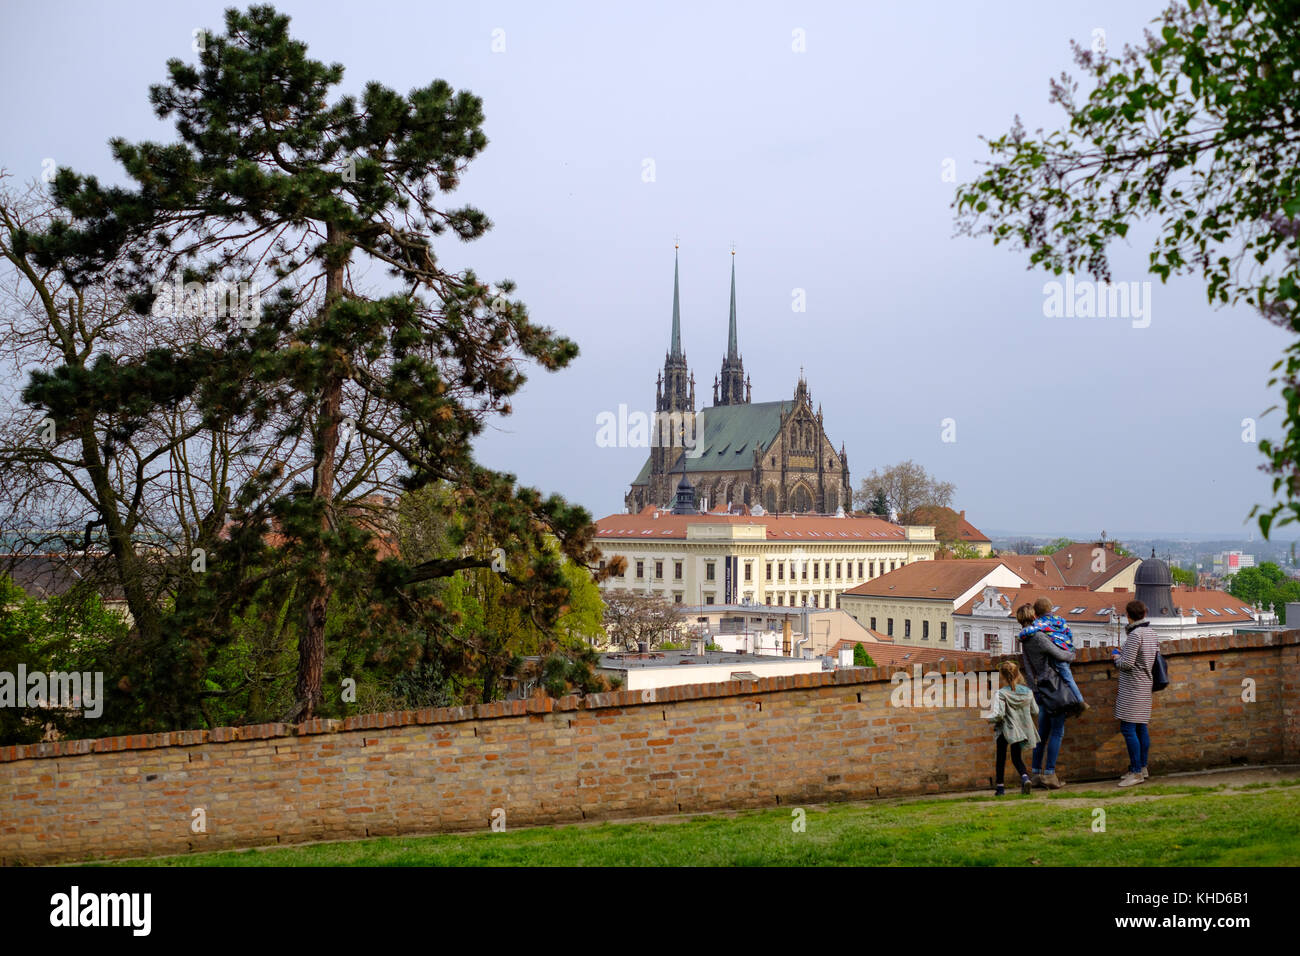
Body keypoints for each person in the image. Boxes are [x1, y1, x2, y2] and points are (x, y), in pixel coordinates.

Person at [1017, 603, 1075, 789]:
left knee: (1041, 734)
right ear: (1034, 616)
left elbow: (1027, 667)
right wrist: (1071, 654)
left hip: (1039, 689)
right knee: (1057, 732)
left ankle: (1035, 774)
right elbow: (1060, 655)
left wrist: (1035, 690)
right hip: (1053, 687)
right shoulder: (1039, 637)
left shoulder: (1025, 640)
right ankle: (1049, 774)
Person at [1112, 599, 1159, 788]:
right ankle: (1141, 767)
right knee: (1141, 727)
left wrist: (1116, 657)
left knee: (1128, 728)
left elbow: (1127, 664)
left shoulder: (1135, 635)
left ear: (1128, 616)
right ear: (1144, 614)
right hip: (1145, 684)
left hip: (1133, 687)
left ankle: (1137, 772)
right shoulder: (1151, 633)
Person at [1018, 597, 1088, 713]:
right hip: (1062, 658)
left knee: (1047, 717)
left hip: (1045, 680)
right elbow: (1067, 637)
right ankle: (1079, 701)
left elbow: (1028, 663)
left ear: (1036, 613)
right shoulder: (1060, 620)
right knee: (1068, 679)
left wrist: (1021, 636)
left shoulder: (1037, 626)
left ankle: (1078, 703)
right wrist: (1070, 651)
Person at [983, 659, 1038, 796]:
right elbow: (1035, 711)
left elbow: (999, 714)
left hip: (1004, 729)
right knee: (1016, 757)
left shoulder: (1001, 693)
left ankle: (1000, 789)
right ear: (1018, 674)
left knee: (1000, 758)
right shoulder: (1028, 692)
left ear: (1002, 676)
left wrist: (988, 719)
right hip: (1021, 729)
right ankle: (1025, 777)